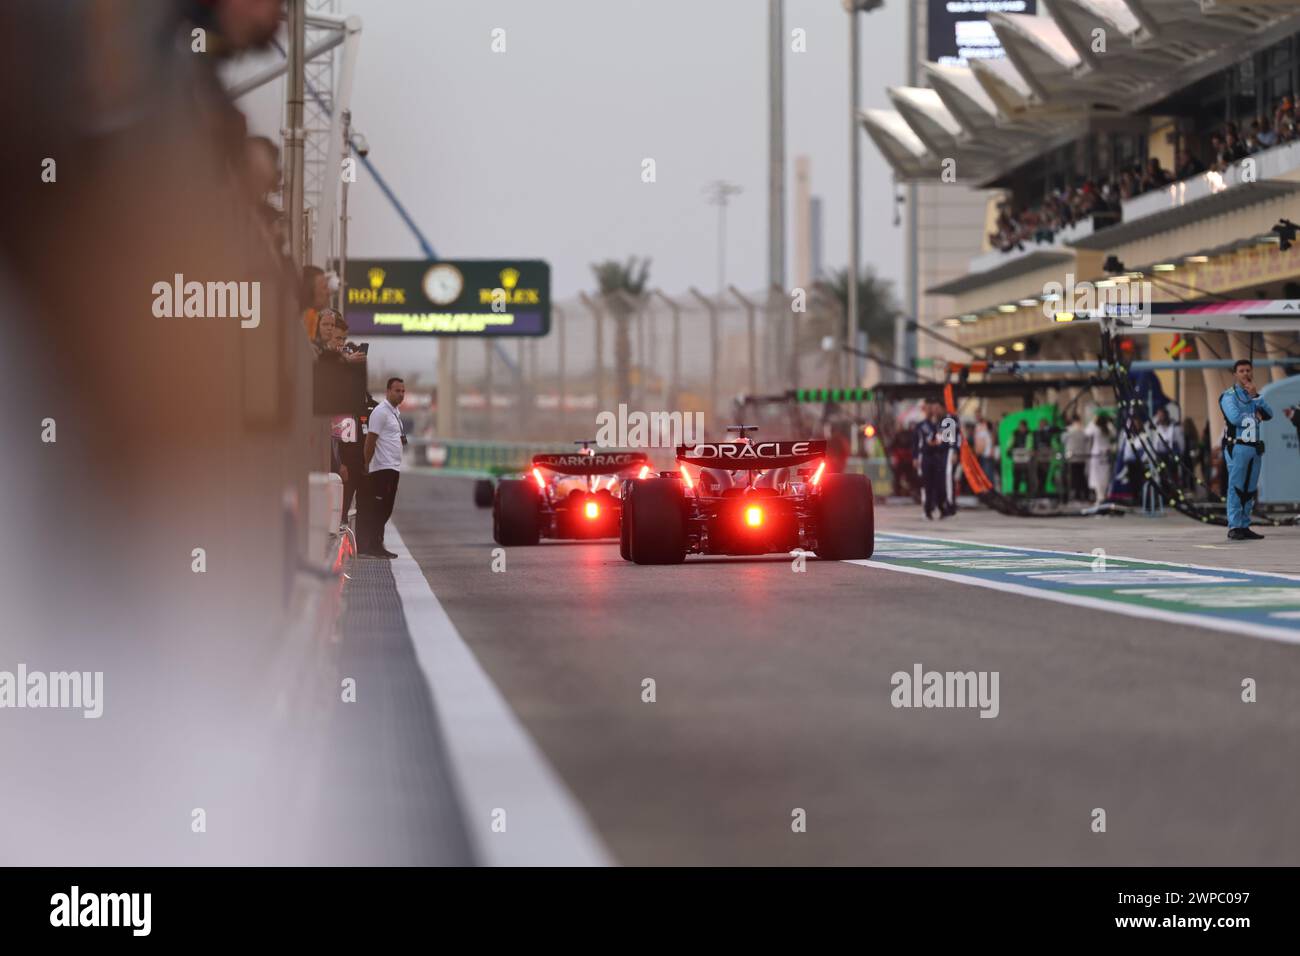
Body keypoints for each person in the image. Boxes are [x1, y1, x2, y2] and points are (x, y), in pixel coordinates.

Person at [1219, 360, 1291, 540]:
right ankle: (1234, 526)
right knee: (1236, 487)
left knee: (1250, 489)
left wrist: (1256, 397)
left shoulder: (1253, 396)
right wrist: (1253, 416)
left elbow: (1270, 414)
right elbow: (1235, 418)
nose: (1245, 374)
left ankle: (1245, 525)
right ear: (1235, 374)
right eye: (1241, 371)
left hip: (1254, 447)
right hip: (1237, 446)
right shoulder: (1229, 396)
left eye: (1248, 370)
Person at [359, 377, 407, 558]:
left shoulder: (395, 412)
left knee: (387, 508)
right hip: (382, 468)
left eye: (403, 391)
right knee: (380, 508)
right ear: (388, 391)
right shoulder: (380, 412)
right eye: (397, 391)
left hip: (393, 467)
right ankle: (373, 545)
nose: (400, 394)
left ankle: (377, 543)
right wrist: (366, 463)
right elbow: (370, 440)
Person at [914, 399, 961, 519]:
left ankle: (950, 505)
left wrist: (954, 450)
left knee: (947, 479)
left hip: (947, 452)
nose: (935, 411)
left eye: (936, 408)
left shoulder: (948, 420)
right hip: (939, 454)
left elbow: (949, 440)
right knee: (939, 481)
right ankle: (938, 506)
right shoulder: (935, 423)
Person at [1084, 413, 1113, 504]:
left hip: (1097, 455)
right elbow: (1114, 433)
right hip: (1106, 455)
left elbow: (1086, 432)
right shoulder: (1109, 428)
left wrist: (1092, 422)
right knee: (1105, 476)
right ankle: (1103, 496)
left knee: (1096, 477)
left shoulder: (1095, 428)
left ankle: (1100, 497)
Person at [1062, 415, 1090, 501]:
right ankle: (1084, 494)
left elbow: (1063, 440)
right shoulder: (1084, 429)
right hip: (1082, 456)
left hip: (1072, 456)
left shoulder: (1068, 430)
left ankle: (1077, 494)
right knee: (1081, 475)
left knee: (1074, 476)